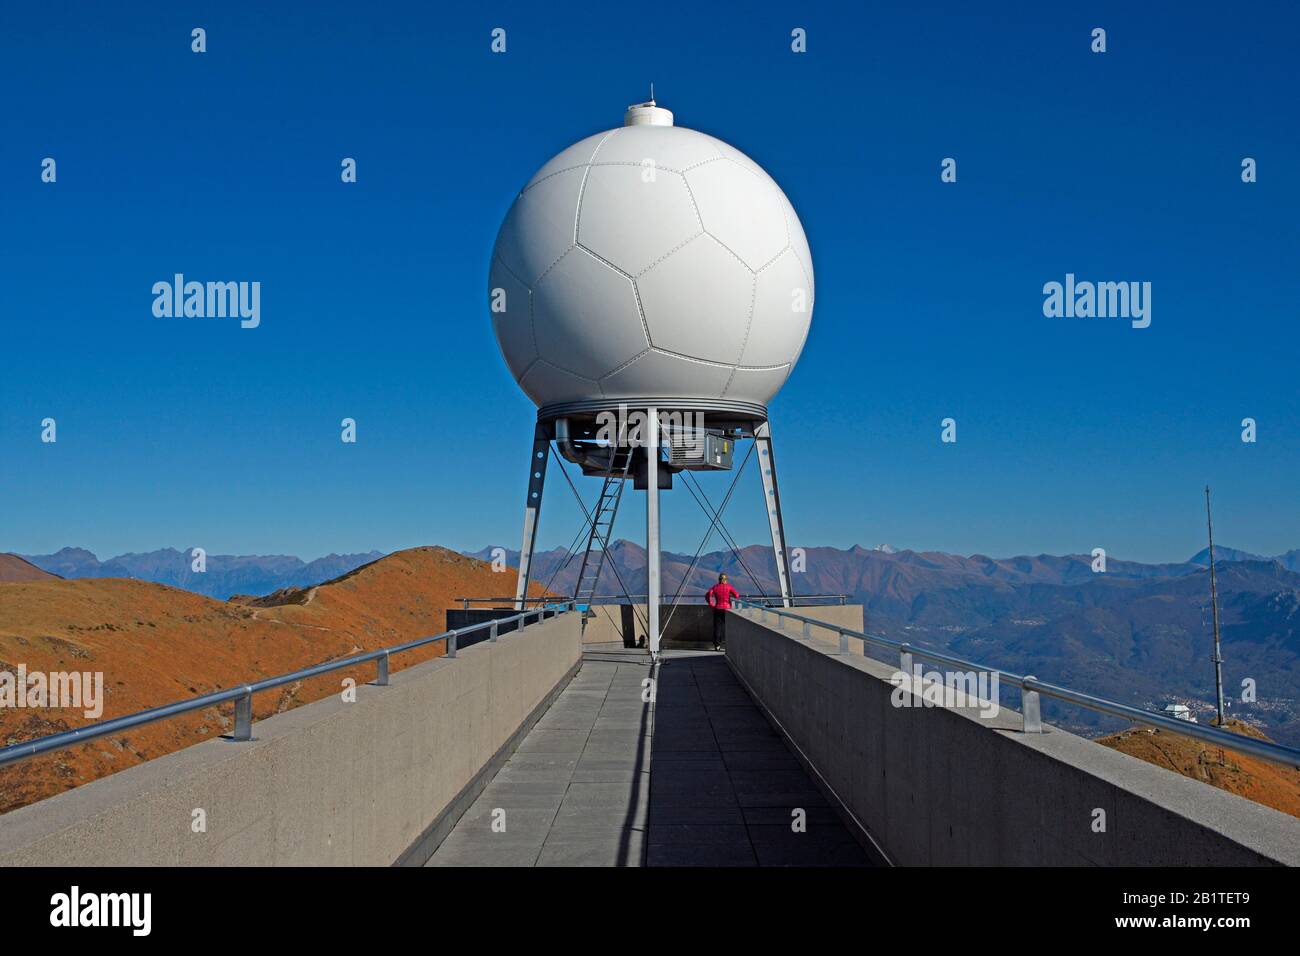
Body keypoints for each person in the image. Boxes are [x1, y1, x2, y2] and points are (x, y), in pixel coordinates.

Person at [705, 573, 740, 651]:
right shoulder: (729, 587)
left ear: (719, 579)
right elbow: (737, 595)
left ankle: (717, 645)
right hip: (727, 609)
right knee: (729, 627)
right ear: (726, 580)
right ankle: (731, 644)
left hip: (717, 608)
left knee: (717, 628)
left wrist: (711, 603)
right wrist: (730, 595)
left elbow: (708, 594)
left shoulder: (715, 587)